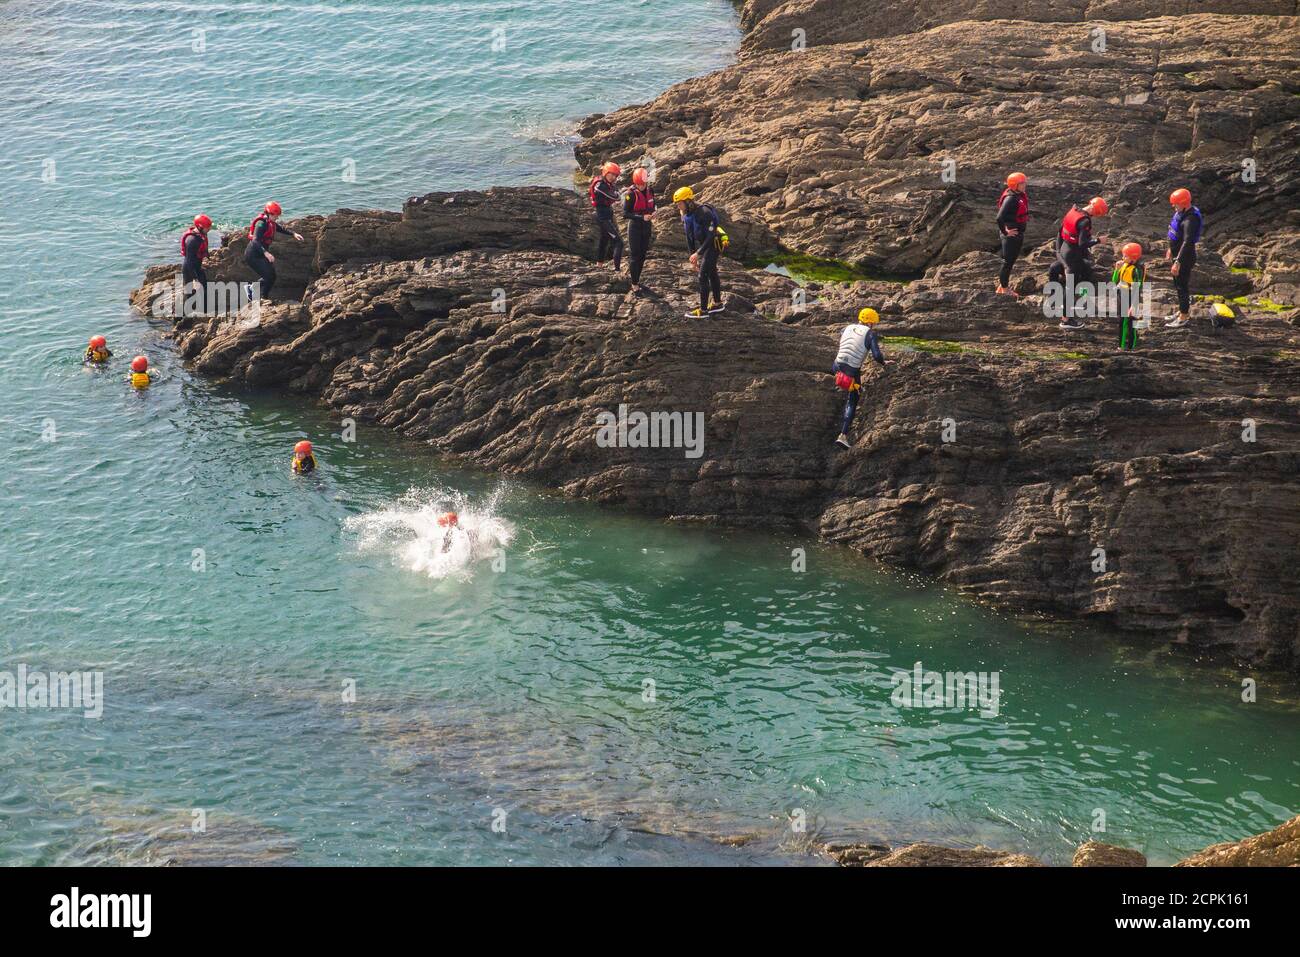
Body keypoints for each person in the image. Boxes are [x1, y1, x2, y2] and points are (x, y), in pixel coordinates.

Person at [1049, 196, 1109, 330]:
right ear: (1096, 211)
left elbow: (1061, 232)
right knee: (1070, 286)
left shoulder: (1074, 210)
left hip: (1064, 248)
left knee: (1085, 268)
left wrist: (1060, 256)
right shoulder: (1084, 221)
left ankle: (1054, 301)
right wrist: (1098, 240)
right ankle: (1066, 320)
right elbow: (1083, 244)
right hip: (1073, 255)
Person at [832, 307, 887, 450]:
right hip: (851, 371)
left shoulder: (847, 327)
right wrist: (885, 363)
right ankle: (843, 436)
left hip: (836, 366)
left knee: (849, 378)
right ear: (871, 323)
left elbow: (843, 336)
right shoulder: (870, 334)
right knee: (853, 399)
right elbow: (877, 356)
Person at [674, 186, 727, 319]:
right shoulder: (687, 216)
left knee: (703, 275)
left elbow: (710, 236)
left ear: (688, 201)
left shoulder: (704, 212)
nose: (678, 207)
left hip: (714, 244)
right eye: (677, 204)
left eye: (680, 203)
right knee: (712, 272)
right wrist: (693, 257)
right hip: (704, 245)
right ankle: (718, 303)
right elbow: (689, 237)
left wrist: (698, 253)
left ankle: (703, 311)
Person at [245, 201, 304, 301]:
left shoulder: (270, 221)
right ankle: (254, 291)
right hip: (253, 255)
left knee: (272, 276)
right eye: (276, 215)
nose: (277, 217)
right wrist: (266, 253)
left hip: (261, 253)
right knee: (268, 276)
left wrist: (293, 234)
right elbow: (255, 241)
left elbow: (279, 228)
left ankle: (262, 296)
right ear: (269, 213)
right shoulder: (261, 224)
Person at [1164, 188, 1203, 329]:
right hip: (1177, 255)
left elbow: (1188, 241)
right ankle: (1182, 310)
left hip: (1184, 258)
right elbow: (1176, 234)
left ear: (1184, 203)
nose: (1174, 207)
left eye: (1176, 204)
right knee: (1178, 285)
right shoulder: (1181, 212)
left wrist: (1177, 262)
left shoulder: (1190, 219)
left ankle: (1184, 316)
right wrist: (1170, 248)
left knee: (1182, 287)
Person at [623, 168, 656, 292]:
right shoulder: (630, 194)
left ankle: (638, 279)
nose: (641, 186)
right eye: (639, 184)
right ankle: (634, 283)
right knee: (635, 256)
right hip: (635, 228)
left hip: (646, 227)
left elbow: (653, 204)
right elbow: (625, 214)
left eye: (643, 184)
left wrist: (654, 212)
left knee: (642, 255)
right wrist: (642, 217)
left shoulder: (650, 190)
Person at [995, 172, 1029, 295]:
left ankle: (1001, 286)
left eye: (1024, 182)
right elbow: (999, 218)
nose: (1024, 185)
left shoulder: (1018, 195)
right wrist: (1005, 232)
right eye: (1021, 183)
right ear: (1014, 185)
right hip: (1011, 235)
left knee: (1010, 261)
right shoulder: (1010, 199)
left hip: (1017, 233)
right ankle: (1004, 288)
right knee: (1007, 262)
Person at [1111, 242, 1146, 351]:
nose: (1122, 258)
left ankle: (1130, 347)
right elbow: (1114, 281)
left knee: (1129, 323)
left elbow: (1137, 289)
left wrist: (1133, 306)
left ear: (1133, 258)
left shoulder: (1137, 270)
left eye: (1125, 256)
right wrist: (1116, 269)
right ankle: (1121, 345)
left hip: (1131, 297)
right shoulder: (1124, 265)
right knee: (1122, 321)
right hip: (1122, 295)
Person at [589, 162, 624, 270]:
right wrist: (619, 193)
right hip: (603, 217)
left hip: (608, 214)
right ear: (605, 172)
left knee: (604, 239)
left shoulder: (608, 184)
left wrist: (620, 192)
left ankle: (599, 265)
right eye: (611, 174)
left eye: (615, 175)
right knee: (619, 242)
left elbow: (615, 192)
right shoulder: (600, 185)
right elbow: (615, 196)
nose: (613, 177)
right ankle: (617, 269)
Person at [180, 214, 212, 316]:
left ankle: (205, 312)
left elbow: (202, 250)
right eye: (207, 228)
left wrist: (207, 257)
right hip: (190, 269)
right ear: (200, 227)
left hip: (197, 266)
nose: (209, 230)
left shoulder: (200, 235)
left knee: (204, 288)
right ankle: (181, 317)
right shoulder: (192, 241)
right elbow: (189, 261)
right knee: (189, 293)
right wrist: (194, 279)